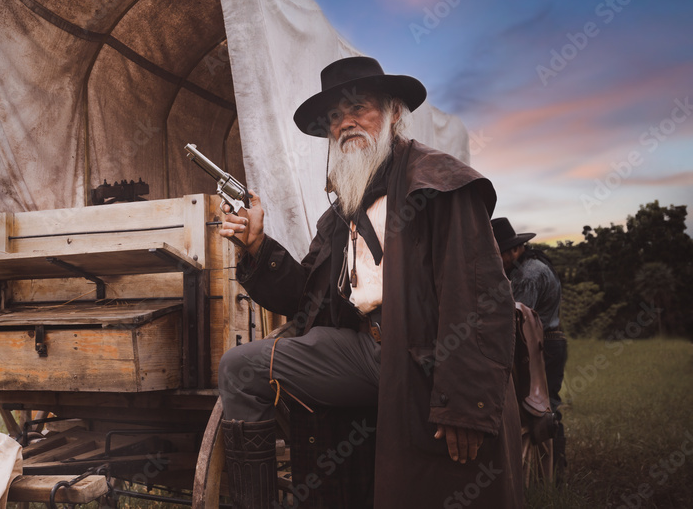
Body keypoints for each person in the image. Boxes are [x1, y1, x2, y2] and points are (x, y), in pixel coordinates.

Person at [216, 56, 524, 509]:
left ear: (395, 112)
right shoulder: (340, 213)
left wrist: (466, 403)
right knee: (241, 367)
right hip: (366, 353)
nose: (346, 123)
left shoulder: (437, 183)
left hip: (425, 361)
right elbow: (306, 299)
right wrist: (258, 247)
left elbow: (479, 295)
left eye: (359, 107)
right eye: (335, 117)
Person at [491, 217, 568, 480]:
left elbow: (518, 322)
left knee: (544, 409)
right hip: (548, 341)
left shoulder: (527, 275)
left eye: (498, 254)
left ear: (513, 250)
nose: (498, 260)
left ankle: (555, 475)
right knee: (545, 406)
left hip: (542, 344)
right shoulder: (533, 265)